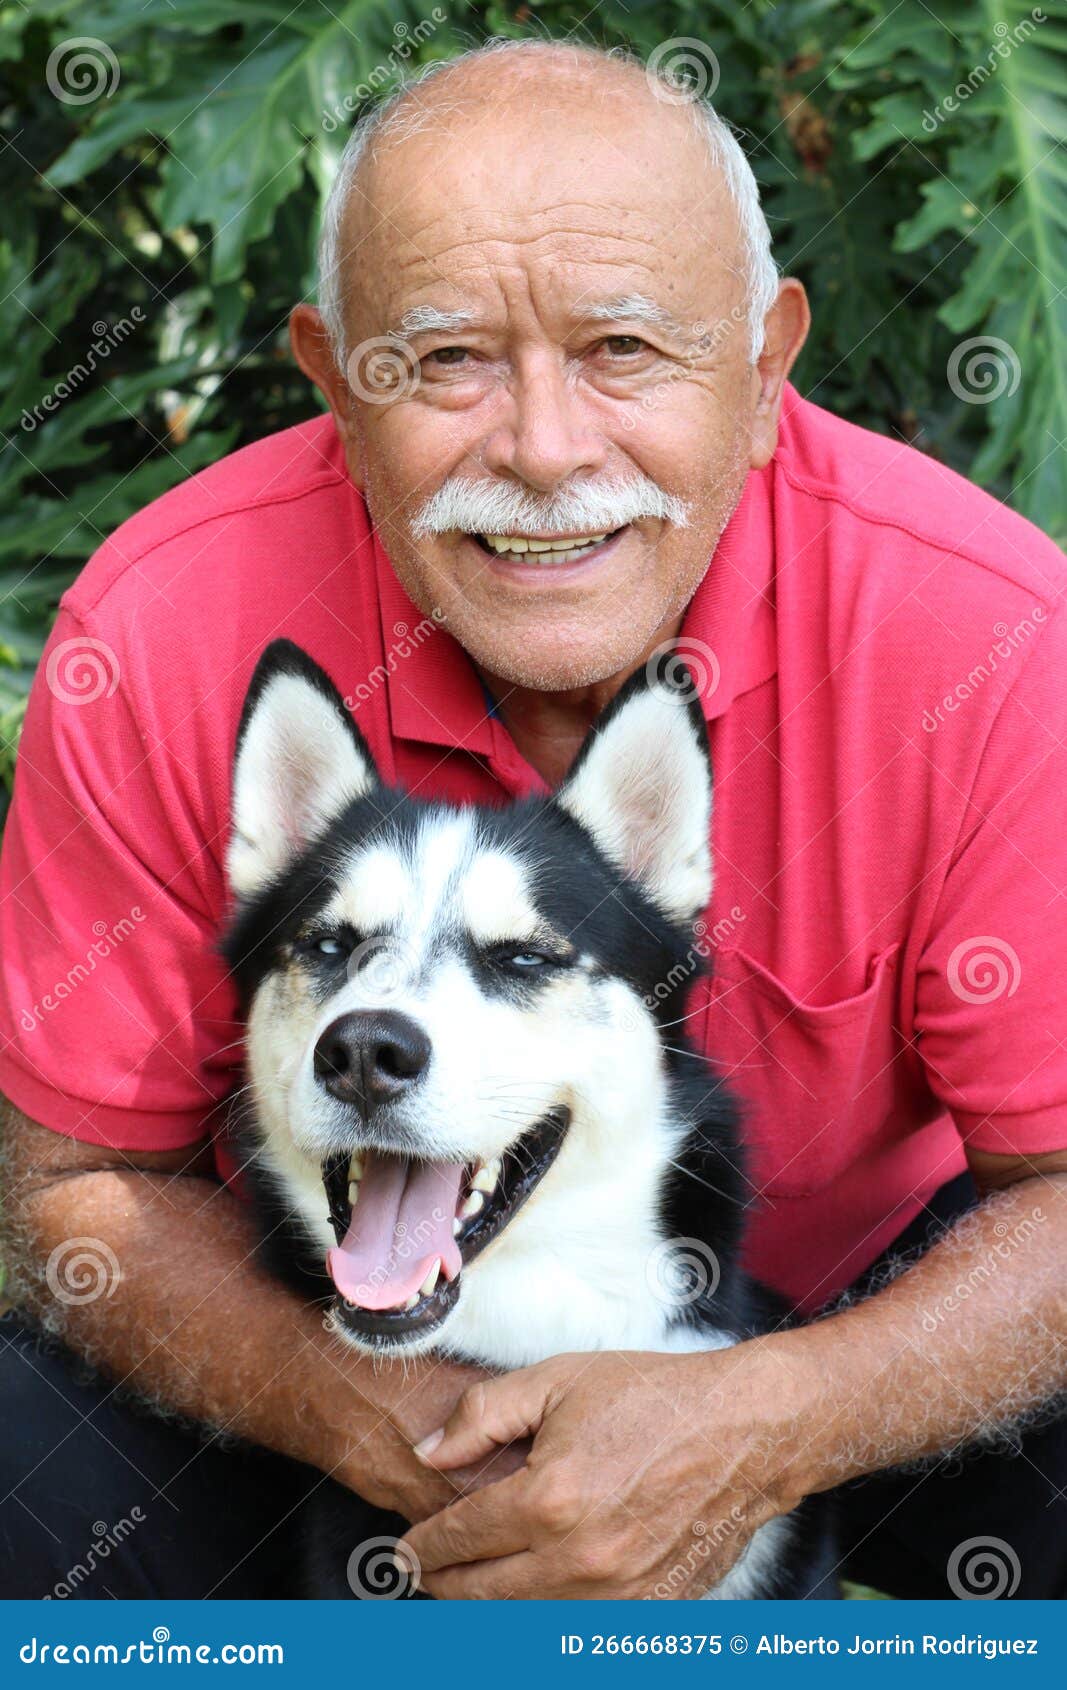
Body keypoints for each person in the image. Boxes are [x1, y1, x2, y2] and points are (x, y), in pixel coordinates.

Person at [2, 39, 1066, 1602]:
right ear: (330, 376)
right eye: (444, 363)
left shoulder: (986, 639)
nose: (546, 450)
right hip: (339, 1291)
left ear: (768, 370)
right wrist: (393, 1413)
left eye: (625, 348)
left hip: (859, 1310)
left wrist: (764, 1419)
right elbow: (64, 1186)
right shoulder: (168, 629)